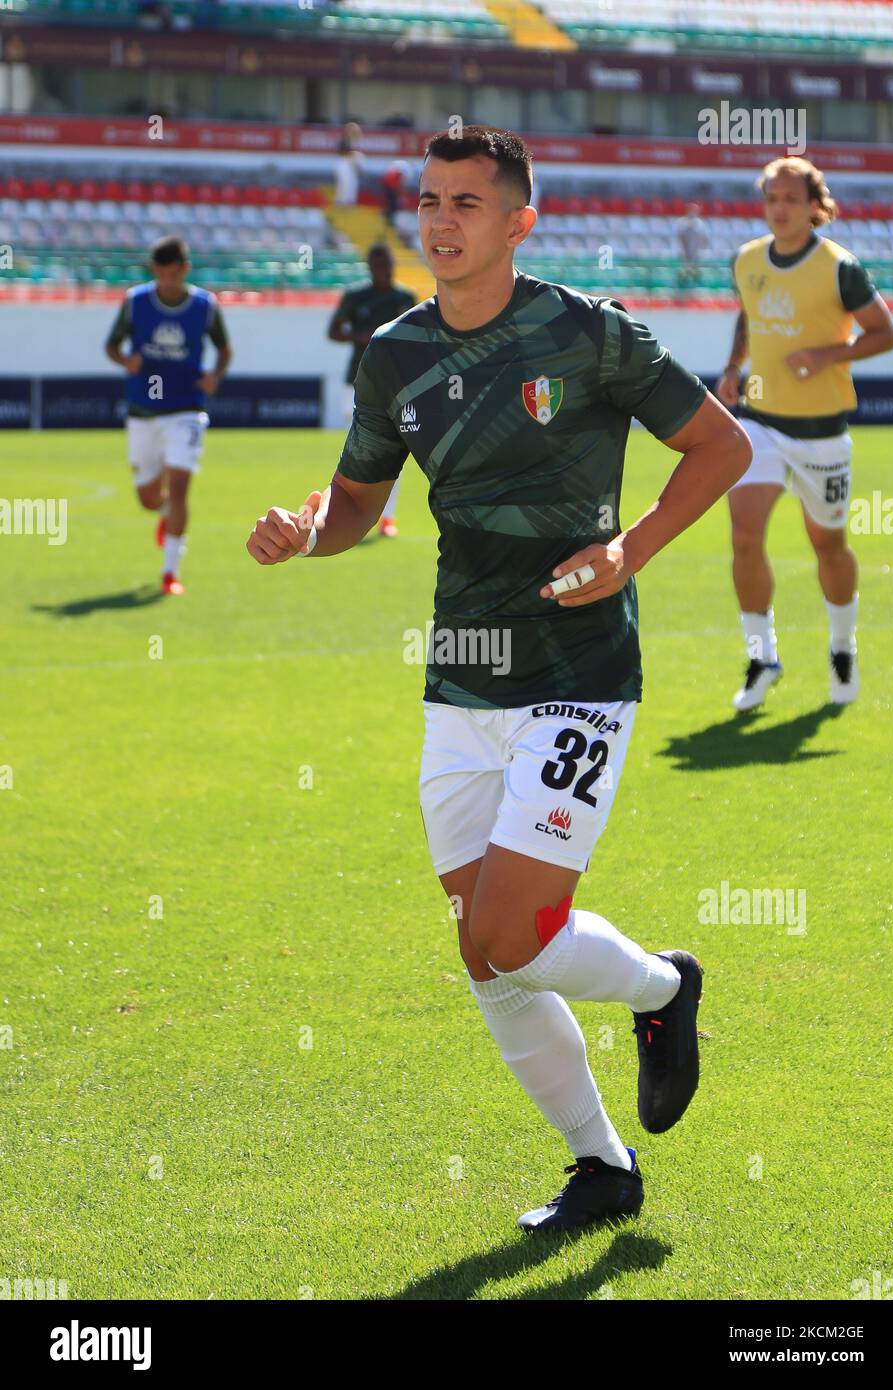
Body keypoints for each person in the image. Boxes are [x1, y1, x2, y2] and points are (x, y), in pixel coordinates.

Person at [248, 126, 751, 1234]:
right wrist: (303, 528)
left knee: (516, 930)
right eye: (428, 200)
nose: (439, 221)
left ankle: (665, 990)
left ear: (519, 220)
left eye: (466, 203)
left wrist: (628, 552)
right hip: (462, 672)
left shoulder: (589, 332)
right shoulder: (391, 353)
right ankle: (600, 1165)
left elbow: (719, 448)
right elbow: (358, 507)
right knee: (480, 945)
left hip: (580, 669)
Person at [717, 157, 893, 710]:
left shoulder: (840, 266)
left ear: (815, 206)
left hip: (822, 434)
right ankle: (761, 655)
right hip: (759, 422)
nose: (780, 208)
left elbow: (883, 333)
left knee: (829, 545)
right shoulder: (747, 259)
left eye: (791, 199)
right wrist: (732, 367)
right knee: (744, 535)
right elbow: (748, 317)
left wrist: (826, 354)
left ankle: (842, 647)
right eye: (772, 198)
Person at [105, 234, 232, 594]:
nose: (167, 281)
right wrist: (125, 360)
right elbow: (111, 344)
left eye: (173, 274)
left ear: (185, 270)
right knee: (149, 498)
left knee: (178, 489)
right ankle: (163, 515)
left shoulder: (205, 306)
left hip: (186, 408)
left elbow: (224, 349)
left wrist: (215, 376)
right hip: (143, 408)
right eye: (161, 274)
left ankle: (170, 572)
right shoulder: (135, 302)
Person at [326, 243, 415, 536]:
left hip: (394, 383)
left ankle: (386, 517)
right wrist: (357, 336)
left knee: (393, 449)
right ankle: (350, 513)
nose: (381, 271)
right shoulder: (355, 297)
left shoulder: (405, 298)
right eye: (376, 265)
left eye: (385, 265)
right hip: (356, 381)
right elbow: (334, 330)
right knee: (358, 450)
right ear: (369, 266)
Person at [674, 202, 710, 291]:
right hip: (684, 252)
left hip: (696, 252)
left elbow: (704, 239)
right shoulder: (682, 222)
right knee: (684, 272)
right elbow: (679, 237)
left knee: (696, 272)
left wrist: (701, 249)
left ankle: (696, 289)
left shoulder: (700, 223)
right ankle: (682, 288)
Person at [334, 121, 363, 208]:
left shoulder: (355, 141)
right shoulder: (344, 140)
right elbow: (342, 152)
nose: (355, 132)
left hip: (351, 163)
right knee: (345, 182)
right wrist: (353, 156)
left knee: (352, 183)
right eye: (353, 130)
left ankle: (350, 202)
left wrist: (356, 163)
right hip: (344, 162)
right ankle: (341, 202)